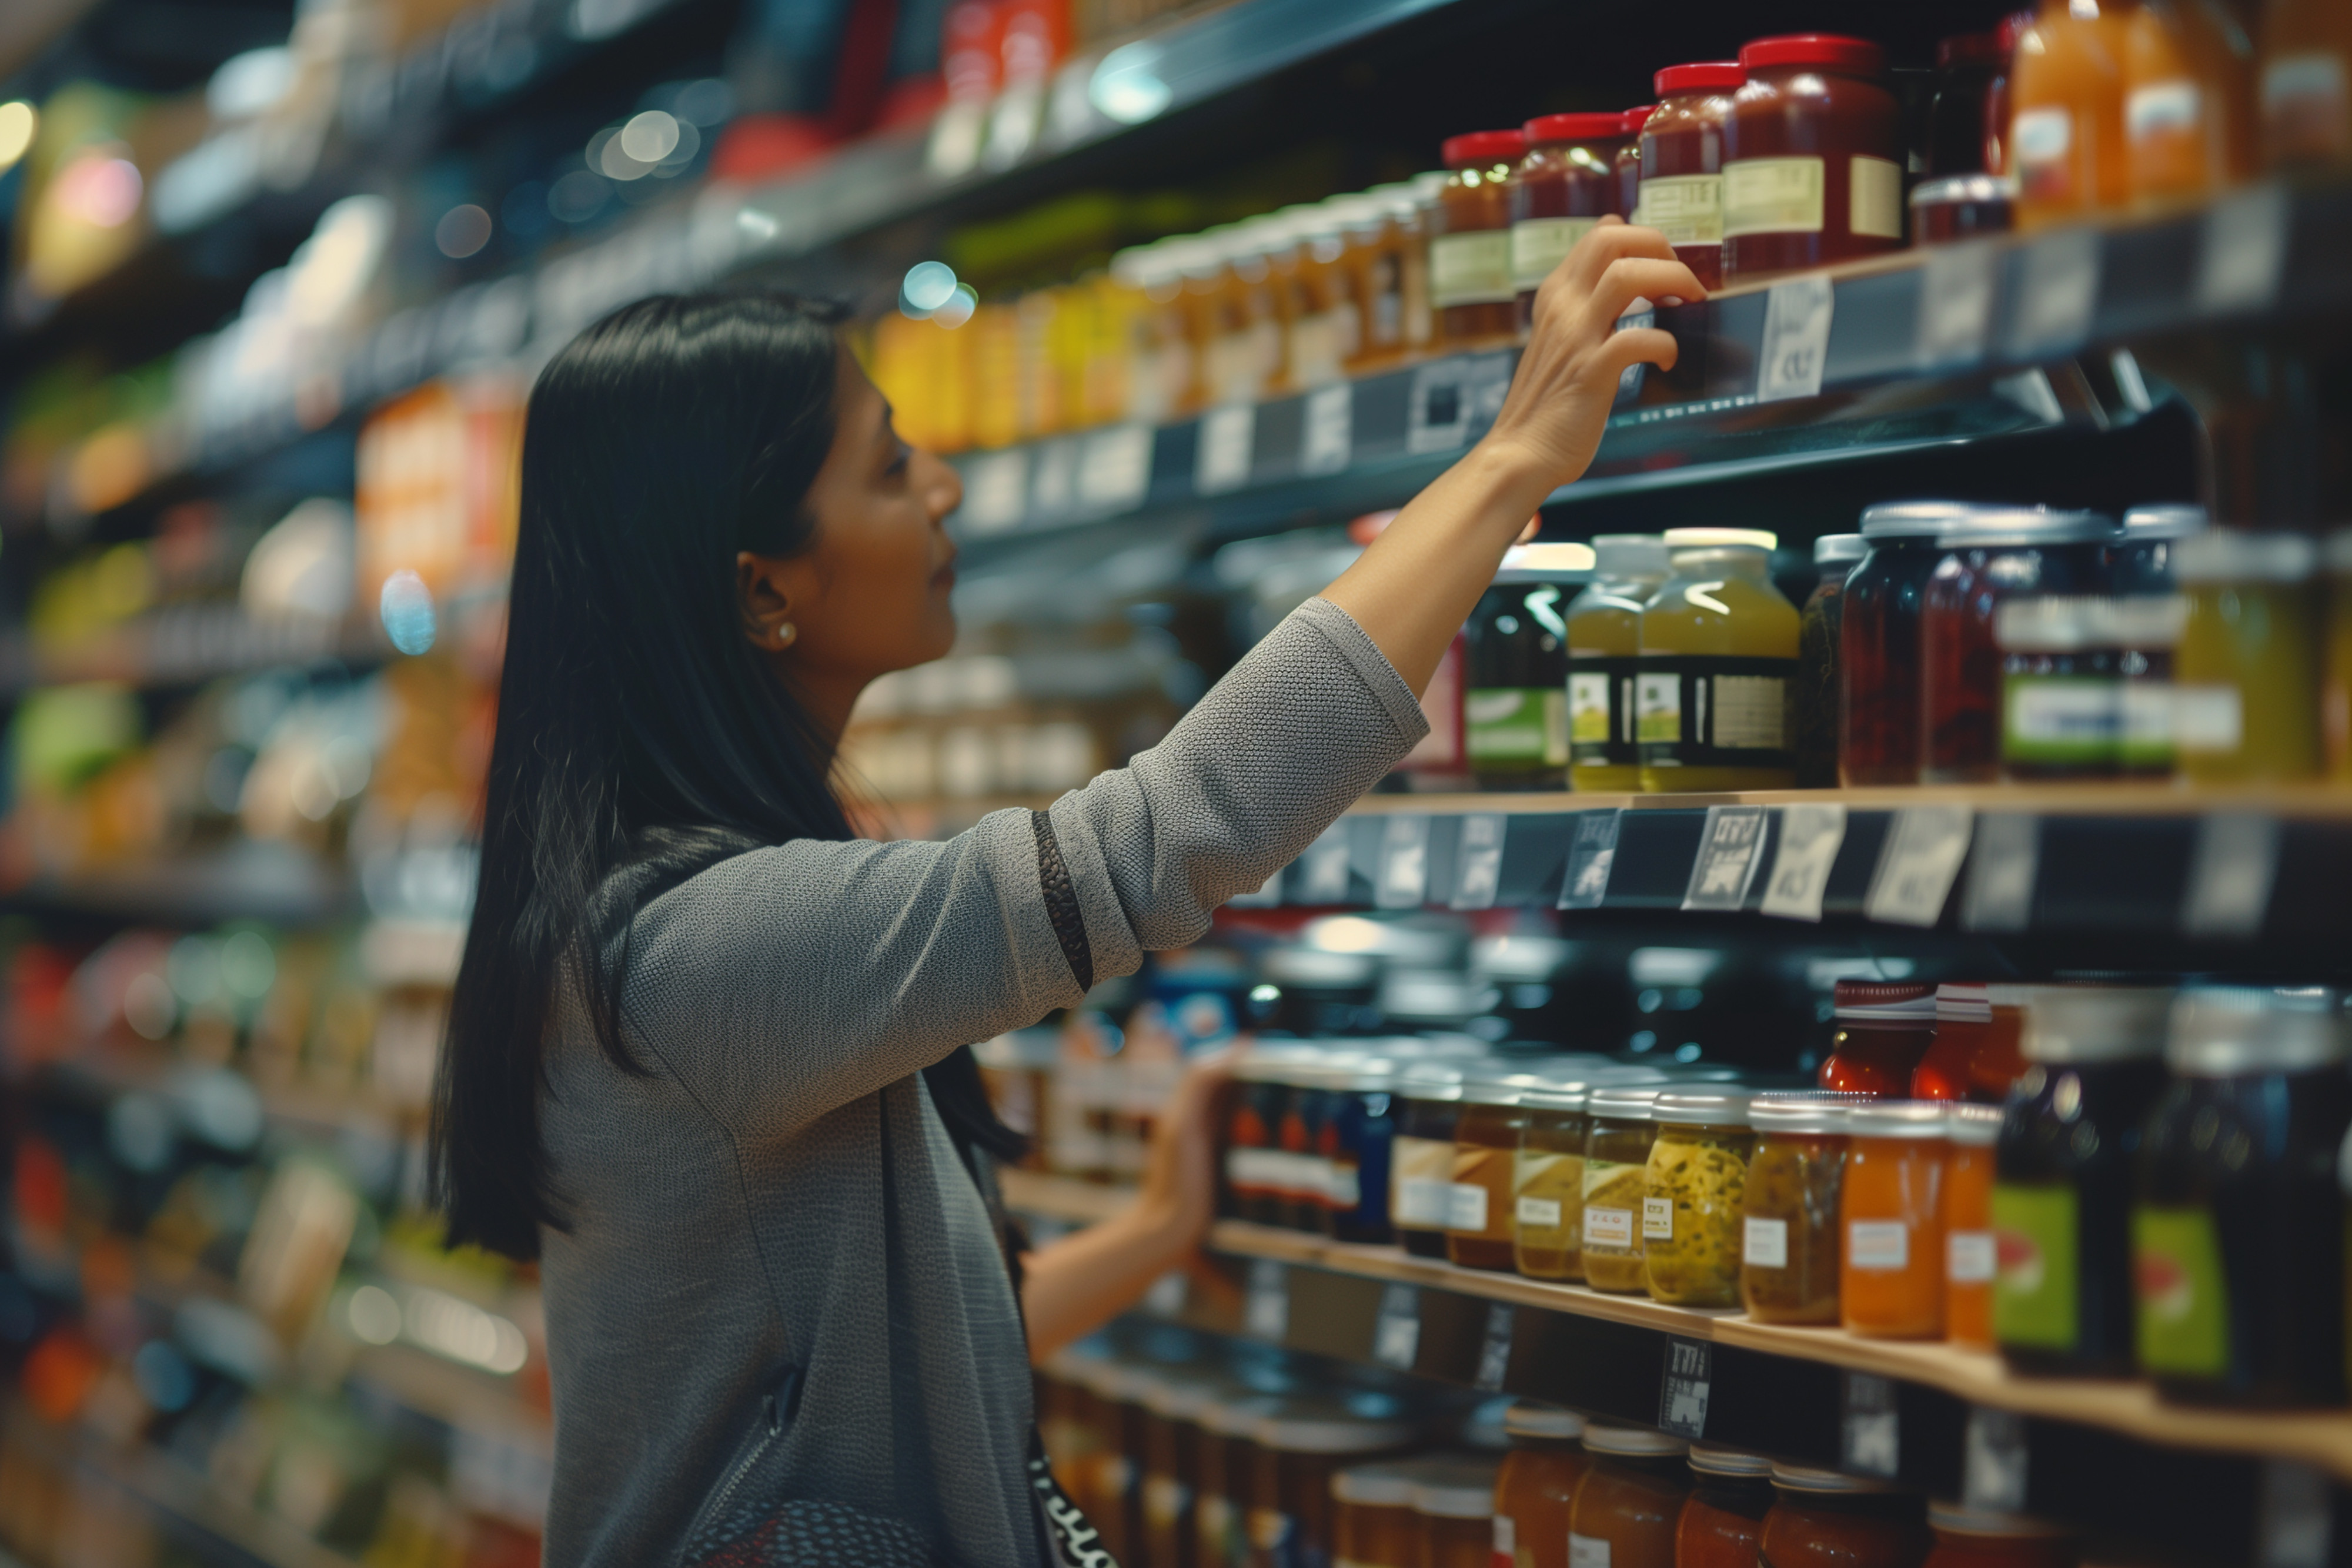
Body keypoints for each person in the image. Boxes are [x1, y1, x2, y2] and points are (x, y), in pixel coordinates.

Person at [430, 219, 1703, 1568]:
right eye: (888, 464)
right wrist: (1512, 460)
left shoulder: (662, 921)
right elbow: (1159, 837)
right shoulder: (692, 949)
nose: (946, 488)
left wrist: (1156, 1230)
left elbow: (904, 1374)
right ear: (761, 591)